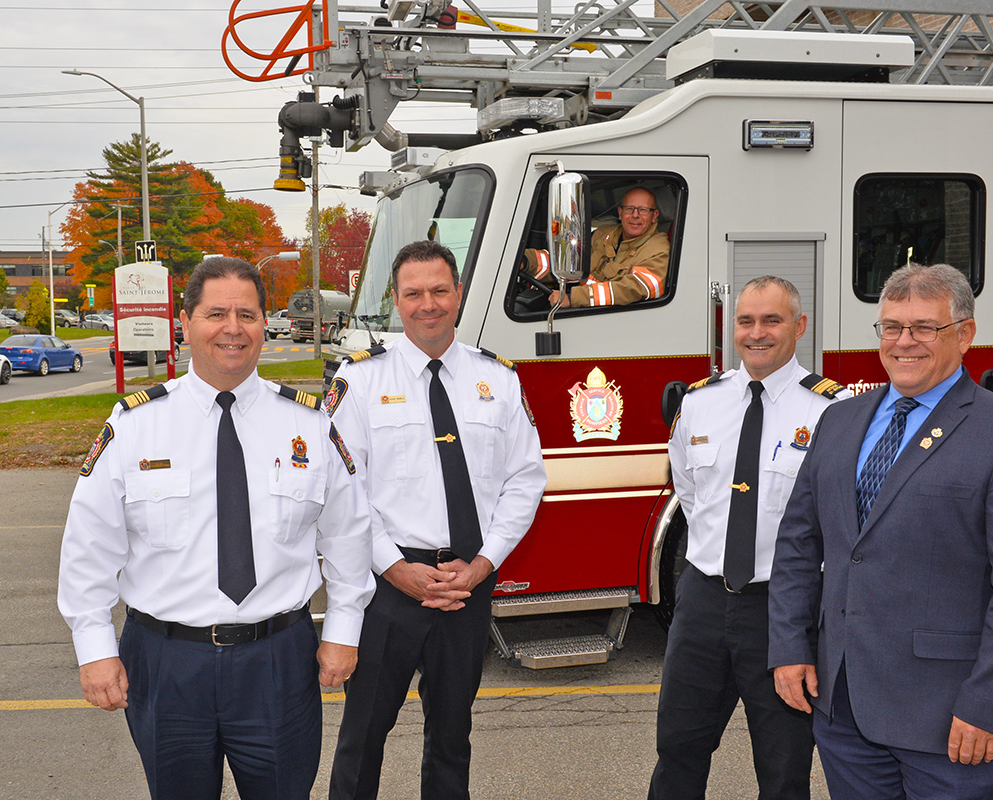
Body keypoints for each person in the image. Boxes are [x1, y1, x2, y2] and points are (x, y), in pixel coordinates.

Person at [57, 256, 374, 800]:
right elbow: (89, 544)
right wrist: (94, 647)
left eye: (247, 314)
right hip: (166, 661)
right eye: (216, 313)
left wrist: (343, 632)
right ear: (186, 323)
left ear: (263, 322)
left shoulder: (309, 423)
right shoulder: (136, 424)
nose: (232, 328)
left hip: (277, 660)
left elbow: (348, 536)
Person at [768, 263, 993, 800]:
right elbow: (797, 544)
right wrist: (790, 647)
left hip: (950, 720)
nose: (904, 342)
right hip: (845, 709)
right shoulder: (839, 419)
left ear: (965, 334)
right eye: (891, 327)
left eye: (925, 328)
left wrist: (988, 706)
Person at [325, 240, 546, 800]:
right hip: (389, 590)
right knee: (363, 737)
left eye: (439, 290)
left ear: (459, 294)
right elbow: (342, 491)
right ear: (396, 301)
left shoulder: (497, 379)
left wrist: (482, 564)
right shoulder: (360, 382)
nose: (429, 304)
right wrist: (395, 568)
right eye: (414, 293)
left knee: (452, 735)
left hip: (467, 586)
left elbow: (525, 479)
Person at [649, 276, 848, 800]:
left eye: (771, 320)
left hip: (782, 610)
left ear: (799, 327)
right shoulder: (699, 403)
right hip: (703, 600)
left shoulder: (832, 411)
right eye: (745, 321)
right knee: (677, 750)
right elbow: (691, 495)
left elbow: (837, 519)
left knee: (784, 769)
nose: (756, 333)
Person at [523, 185, 670, 308]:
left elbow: (636, 288)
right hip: (589, 313)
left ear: (655, 216)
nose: (635, 215)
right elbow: (570, 260)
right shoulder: (604, 234)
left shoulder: (658, 248)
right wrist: (525, 262)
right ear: (620, 213)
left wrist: (574, 298)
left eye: (643, 210)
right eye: (629, 209)